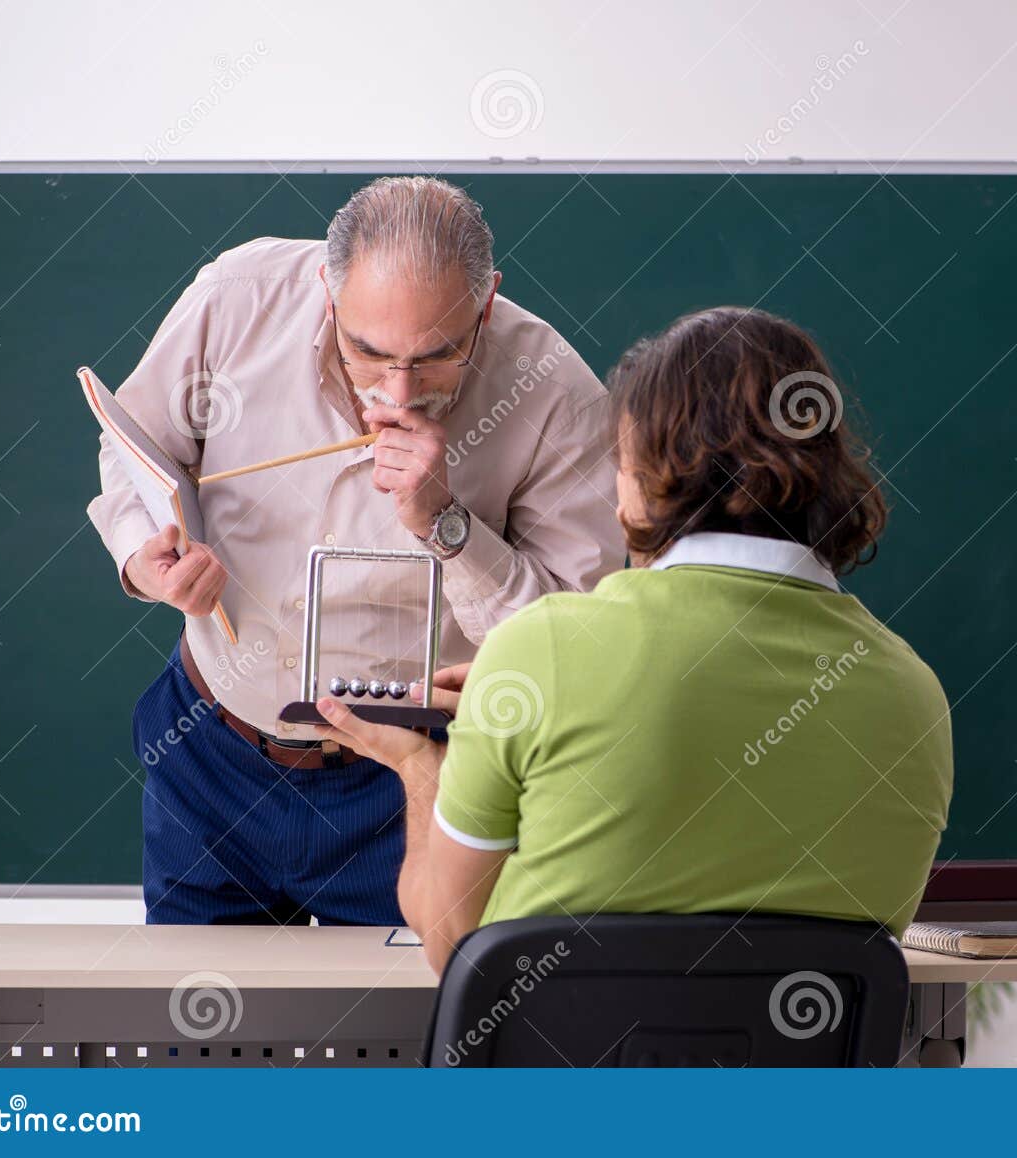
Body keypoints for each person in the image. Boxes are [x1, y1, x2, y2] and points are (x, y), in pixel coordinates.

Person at [318, 306, 954, 973]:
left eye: (620, 465)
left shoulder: (541, 652)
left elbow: (452, 943)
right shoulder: (914, 697)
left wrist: (423, 769)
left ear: (652, 478)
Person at [86, 176, 624, 926]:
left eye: (436, 357)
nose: (398, 393)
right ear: (327, 295)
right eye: (368, 352)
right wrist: (144, 551)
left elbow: (573, 646)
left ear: (488, 303)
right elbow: (132, 449)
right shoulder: (237, 299)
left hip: (415, 777)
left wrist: (446, 523)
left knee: (406, 1036)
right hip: (210, 750)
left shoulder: (556, 395)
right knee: (198, 1034)